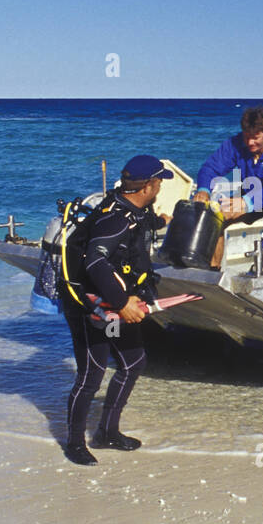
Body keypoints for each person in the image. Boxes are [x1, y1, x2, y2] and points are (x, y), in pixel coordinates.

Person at [60, 154, 172, 466]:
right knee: (91, 376)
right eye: (159, 180)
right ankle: (74, 442)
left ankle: (107, 432)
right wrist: (122, 304)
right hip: (90, 306)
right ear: (148, 185)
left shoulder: (134, 209)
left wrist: (162, 222)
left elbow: (139, 228)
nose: (161, 185)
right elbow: (94, 261)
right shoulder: (115, 218)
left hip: (117, 302)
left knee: (133, 362)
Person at [193, 105, 263, 263]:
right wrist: (203, 189)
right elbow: (210, 168)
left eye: (256, 137)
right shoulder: (234, 144)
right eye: (246, 137)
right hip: (250, 192)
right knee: (214, 221)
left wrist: (245, 203)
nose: (250, 142)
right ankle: (213, 273)